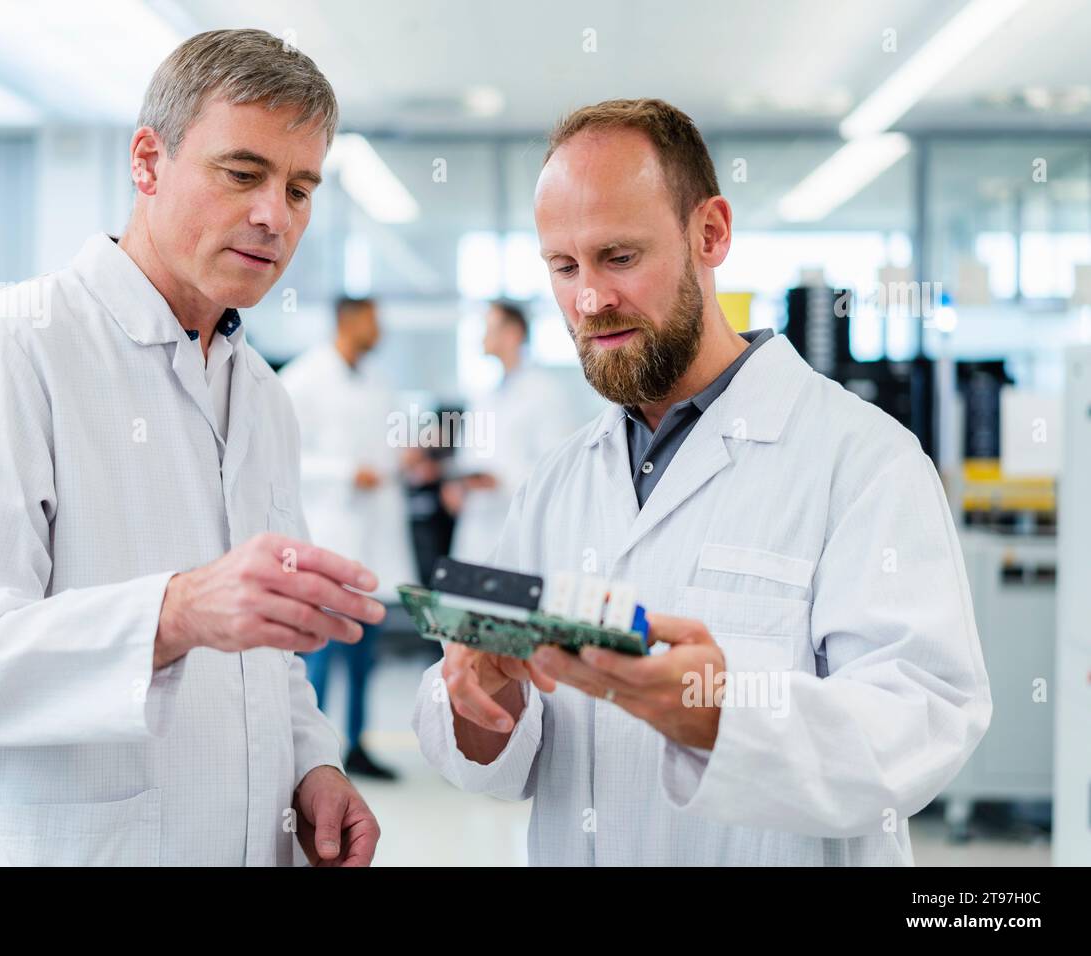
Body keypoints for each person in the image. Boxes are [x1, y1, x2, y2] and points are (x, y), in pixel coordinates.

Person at [413, 98, 991, 865]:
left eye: (619, 257)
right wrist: (483, 696)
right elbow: (495, 753)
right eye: (564, 266)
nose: (589, 299)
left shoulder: (864, 461)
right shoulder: (559, 480)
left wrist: (720, 715)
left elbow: (924, 720)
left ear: (709, 234)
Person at [0, 29, 384, 867]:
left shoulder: (263, 396)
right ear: (148, 162)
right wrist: (174, 613)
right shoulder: (6, 349)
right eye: (243, 173)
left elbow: (266, 659)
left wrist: (312, 764)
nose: (274, 215)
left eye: (301, 188)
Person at [279, 297, 417, 780]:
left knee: (364, 649)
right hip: (328, 532)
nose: (379, 330)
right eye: (372, 321)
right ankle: (313, 754)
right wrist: (343, 472)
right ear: (347, 321)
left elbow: (386, 449)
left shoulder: (378, 381)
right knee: (319, 651)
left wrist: (407, 458)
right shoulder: (303, 378)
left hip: (372, 536)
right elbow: (283, 456)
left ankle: (357, 743)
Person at [442, 300, 579, 563]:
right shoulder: (484, 396)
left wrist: (501, 479)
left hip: (516, 529)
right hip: (477, 529)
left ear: (513, 333)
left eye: (489, 327)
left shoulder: (544, 392)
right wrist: (458, 485)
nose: (483, 336)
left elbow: (559, 467)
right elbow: (468, 457)